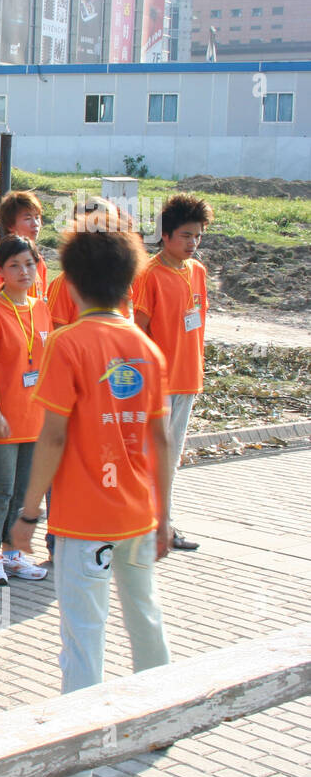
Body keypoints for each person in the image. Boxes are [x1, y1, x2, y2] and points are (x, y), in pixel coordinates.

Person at [12, 216, 172, 700]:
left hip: (83, 522)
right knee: (145, 616)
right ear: (130, 282)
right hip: (139, 516)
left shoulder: (67, 343)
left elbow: (53, 438)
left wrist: (28, 513)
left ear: (71, 282)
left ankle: (81, 753)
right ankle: (161, 712)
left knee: (84, 632)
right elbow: (161, 439)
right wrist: (164, 517)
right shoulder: (147, 348)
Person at [132, 194, 213, 552]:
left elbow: (198, 324)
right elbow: (138, 331)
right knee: (152, 458)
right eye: (185, 236)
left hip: (188, 380)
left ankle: (161, 524)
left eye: (197, 236)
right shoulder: (149, 274)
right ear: (165, 236)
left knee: (171, 457)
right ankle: (148, 527)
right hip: (157, 386)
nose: (192, 243)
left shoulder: (197, 271)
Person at [0, 236, 52, 586]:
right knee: (1, 489)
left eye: (29, 264)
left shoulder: (40, 307)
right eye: (15, 265)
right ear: (0, 271)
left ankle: (12, 553)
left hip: (34, 417)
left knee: (22, 492)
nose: (24, 271)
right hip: (2, 419)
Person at [0, 190, 49, 299]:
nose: (35, 224)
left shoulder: (39, 261)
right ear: (10, 225)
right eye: (28, 218)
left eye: (37, 217)